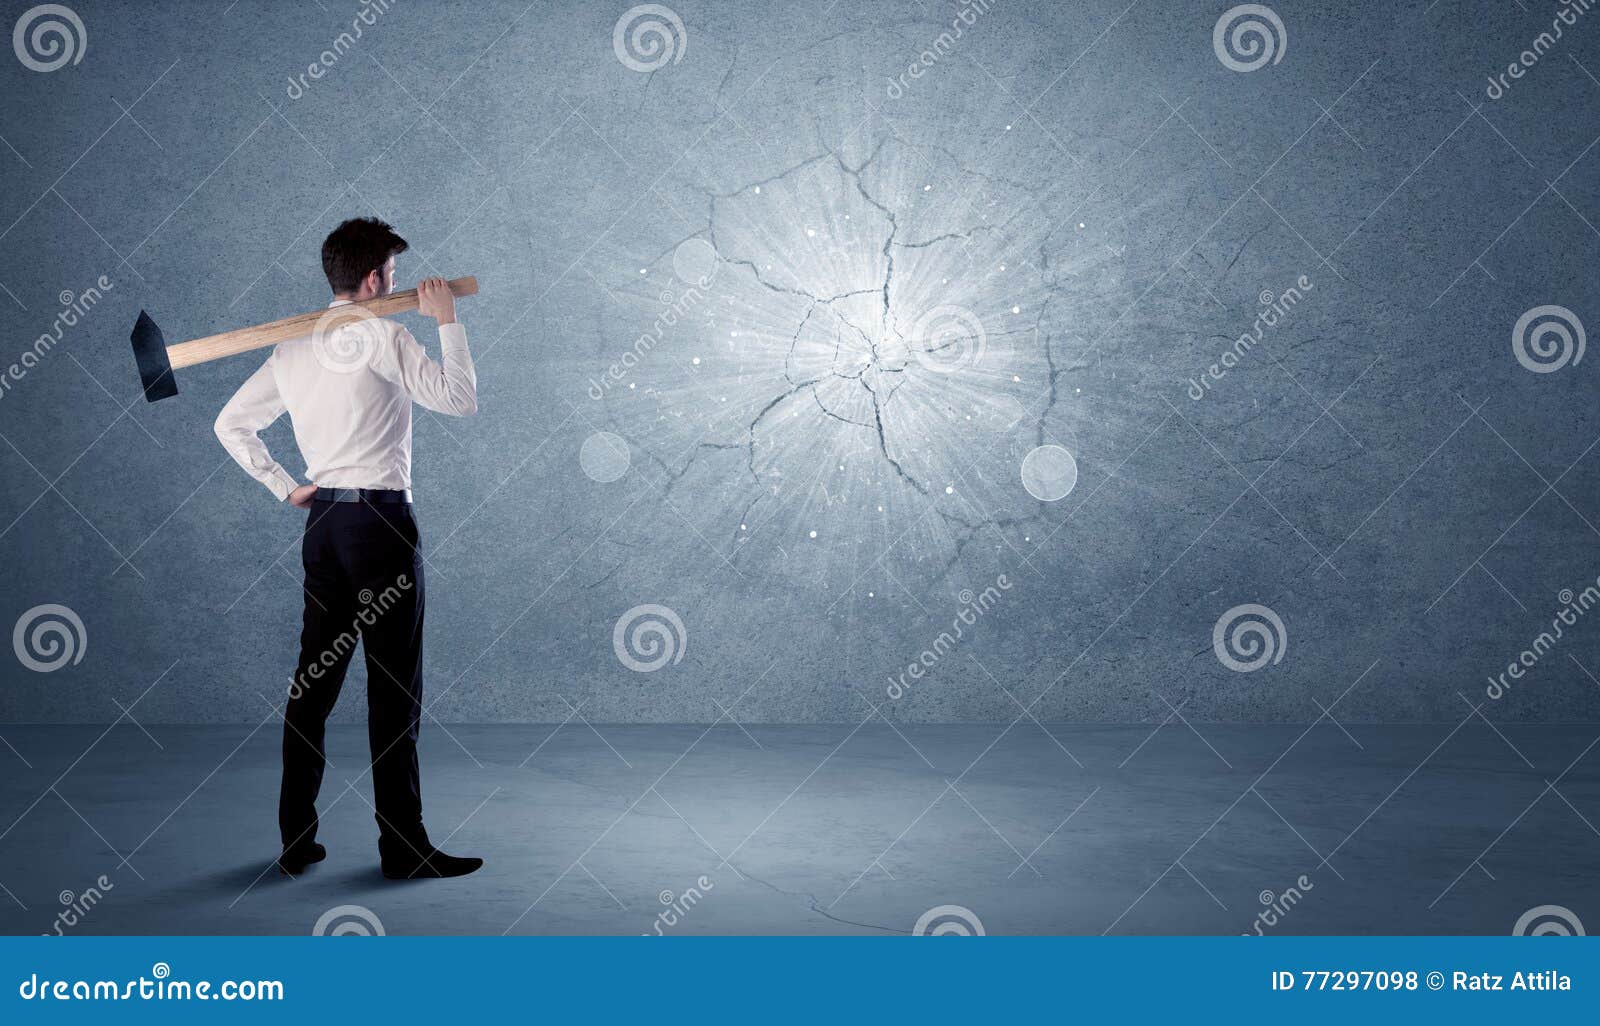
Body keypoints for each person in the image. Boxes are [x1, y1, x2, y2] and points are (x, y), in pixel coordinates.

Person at [214, 217, 482, 879]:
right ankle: (403, 849)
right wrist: (446, 320)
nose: (394, 283)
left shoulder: (294, 347)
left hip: (324, 526)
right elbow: (460, 399)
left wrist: (286, 486)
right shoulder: (387, 335)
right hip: (382, 526)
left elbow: (230, 424)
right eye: (391, 273)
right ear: (373, 279)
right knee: (393, 692)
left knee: (313, 684)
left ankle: (295, 841)